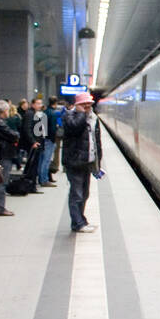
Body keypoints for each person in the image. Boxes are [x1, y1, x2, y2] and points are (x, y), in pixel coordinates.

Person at [61, 91, 103, 233]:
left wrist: (98, 164)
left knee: (84, 193)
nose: (86, 106)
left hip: (86, 162)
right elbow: (75, 128)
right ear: (77, 105)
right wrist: (80, 113)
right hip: (74, 162)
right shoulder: (69, 117)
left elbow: (96, 142)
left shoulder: (93, 118)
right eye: (83, 103)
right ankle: (77, 224)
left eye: (88, 103)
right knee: (77, 194)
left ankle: (81, 220)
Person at [0, 99, 18, 217]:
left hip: (1, 153)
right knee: (1, 181)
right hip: (3, 154)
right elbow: (13, 135)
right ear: (4, 111)